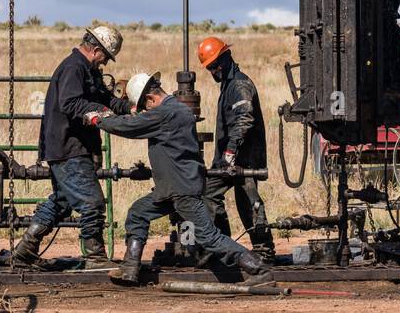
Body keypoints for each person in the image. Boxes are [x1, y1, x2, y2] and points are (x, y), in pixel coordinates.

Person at [93, 71, 274, 286]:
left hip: (182, 190)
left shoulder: (166, 112)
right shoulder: (175, 109)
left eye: (144, 106)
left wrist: (99, 120)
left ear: (151, 99)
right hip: (171, 189)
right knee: (138, 213)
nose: (144, 111)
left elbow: (128, 127)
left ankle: (259, 270)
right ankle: (130, 268)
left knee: (209, 237)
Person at [12, 23, 128, 268]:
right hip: (69, 148)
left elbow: (104, 99)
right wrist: (101, 113)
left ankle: (24, 250)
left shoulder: (86, 70)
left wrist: (127, 108)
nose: (105, 63)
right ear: (96, 50)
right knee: (92, 202)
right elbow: (70, 103)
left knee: (62, 201)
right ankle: (94, 257)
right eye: (105, 57)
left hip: (69, 147)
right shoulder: (74, 68)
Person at [197, 36, 276, 260]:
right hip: (230, 158)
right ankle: (224, 246)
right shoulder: (229, 85)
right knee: (210, 194)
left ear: (225, 60)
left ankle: (263, 250)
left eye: (213, 66)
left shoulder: (239, 84)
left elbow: (245, 119)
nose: (212, 71)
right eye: (209, 68)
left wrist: (231, 151)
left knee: (248, 201)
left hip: (243, 158)